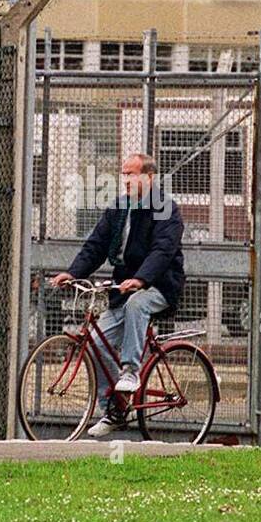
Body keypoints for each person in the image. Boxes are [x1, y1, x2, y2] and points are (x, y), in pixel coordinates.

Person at [49, 152, 185, 437]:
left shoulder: (165, 209)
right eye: (123, 174)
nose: (125, 180)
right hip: (124, 289)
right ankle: (114, 409)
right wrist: (73, 273)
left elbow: (163, 250)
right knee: (95, 344)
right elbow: (96, 245)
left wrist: (141, 279)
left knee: (137, 304)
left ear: (149, 178)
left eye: (131, 174)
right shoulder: (119, 208)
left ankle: (131, 372)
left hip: (158, 286)